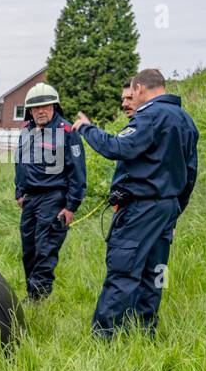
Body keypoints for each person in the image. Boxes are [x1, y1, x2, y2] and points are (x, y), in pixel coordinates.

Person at [73, 68, 199, 337]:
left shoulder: (151, 116)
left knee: (124, 268)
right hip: (167, 208)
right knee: (156, 272)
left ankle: (105, 335)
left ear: (140, 88)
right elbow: (190, 174)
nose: (130, 100)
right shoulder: (186, 121)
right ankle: (146, 330)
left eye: (132, 93)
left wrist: (86, 128)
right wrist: (174, 215)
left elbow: (117, 147)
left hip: (141, 208)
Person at [14, 82, 85, 301]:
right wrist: (19, 192)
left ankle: (38, 299)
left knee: (45, 248)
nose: (41, 111)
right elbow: (20, 163)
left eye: (46, 106)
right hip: (30, 199)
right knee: (29, 249)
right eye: (36, 108)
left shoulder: (67, 132)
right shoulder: (27, 131)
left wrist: (71, 206)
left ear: (54, 107)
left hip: (54, 198)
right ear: (30, 111)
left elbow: (78, 172)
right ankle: (31, 291)